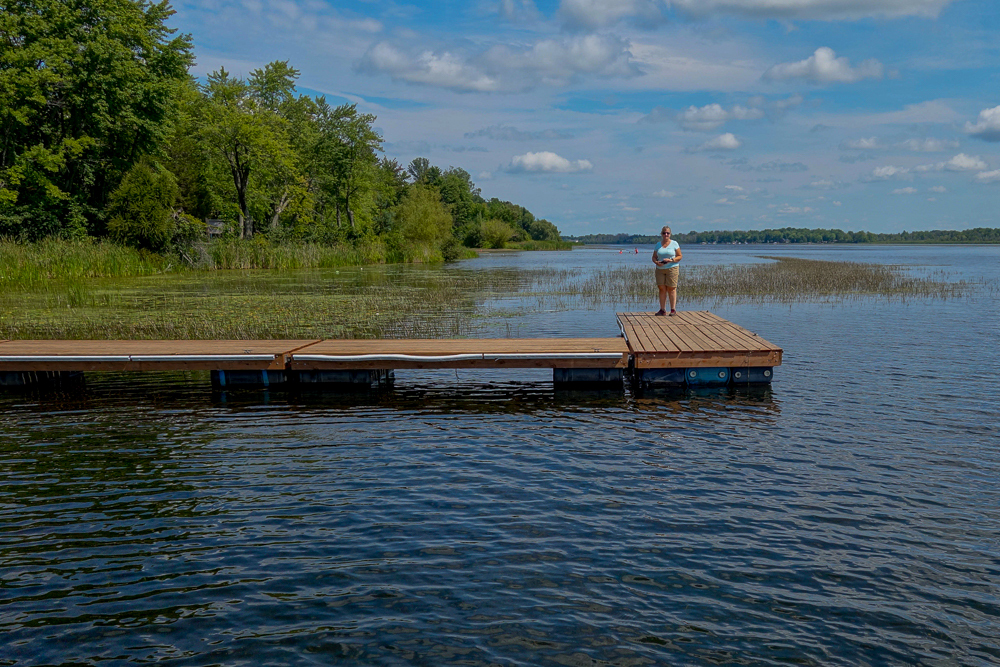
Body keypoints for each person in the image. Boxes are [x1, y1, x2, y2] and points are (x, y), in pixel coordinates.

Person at [652, 225, 681, 316]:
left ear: (670, 234)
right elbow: (653, 257)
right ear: (661, 234)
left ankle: (673, 310)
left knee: (671, 288)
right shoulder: (658, 244)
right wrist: (657, 262)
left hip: (672, 268)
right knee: (661, 288)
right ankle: (662, 309)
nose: (666, 234)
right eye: (664, 233)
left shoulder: (674, 243)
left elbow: (679, 256)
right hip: (660, 269)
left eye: (668, 233)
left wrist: (671, 260)